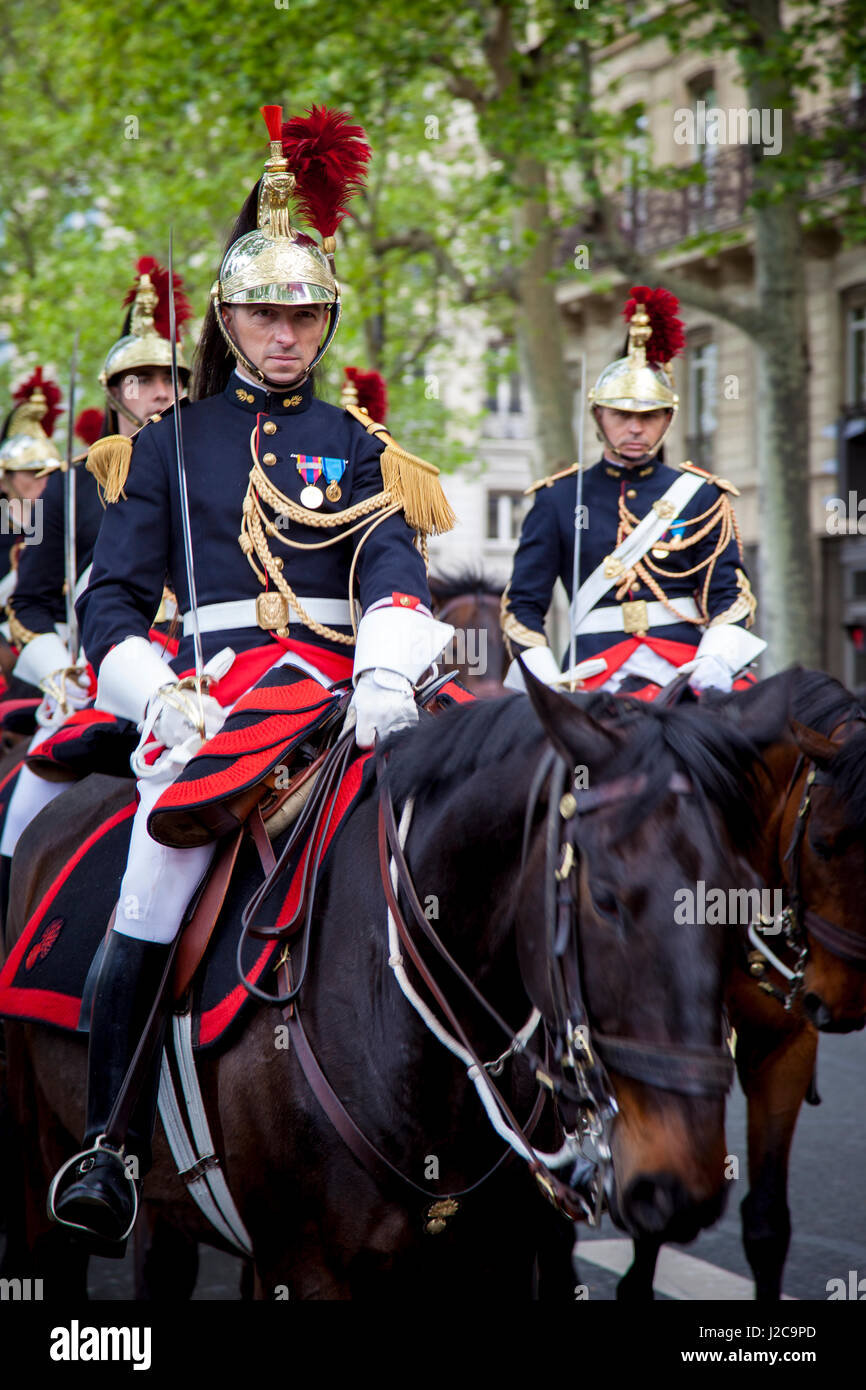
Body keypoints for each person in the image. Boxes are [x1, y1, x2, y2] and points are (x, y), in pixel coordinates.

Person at [49, 103, 455, 1250]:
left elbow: (392, 567)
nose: (287, 332)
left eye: (305, 312)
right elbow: (111, 605)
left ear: (325, 321)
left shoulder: (365, 446)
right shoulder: (169, 447)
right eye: (266, 312)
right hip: (218, 703)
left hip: (343, 698)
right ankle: (110, 1148)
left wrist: (383, 666)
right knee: (152, 884)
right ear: (227, 318)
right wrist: (157, 693)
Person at [0, 262, 192, 872]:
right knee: (25, 812)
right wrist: (58, 674)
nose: (160, 391)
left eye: (171, 379)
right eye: (142, 380)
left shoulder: (213, 473)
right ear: (114, 391)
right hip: (100, 681)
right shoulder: (70, 488)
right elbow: (28, 604)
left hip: (202, 678)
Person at [501, 286, 765, 698]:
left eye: (650, 416)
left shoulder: (702, 496)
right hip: (592, 671)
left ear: (668, 419)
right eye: (622, 415)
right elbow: (522, 608)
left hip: (686, 666)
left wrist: (715, 660)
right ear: (598, 416)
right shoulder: (558, 499)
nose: (636, 429)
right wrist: (547, 681)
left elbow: (730, 596)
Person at [0, 369, 64, 616]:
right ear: (5, 480)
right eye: (32, 472)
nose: (43, 481)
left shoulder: (61, 523)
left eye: (48, 472)